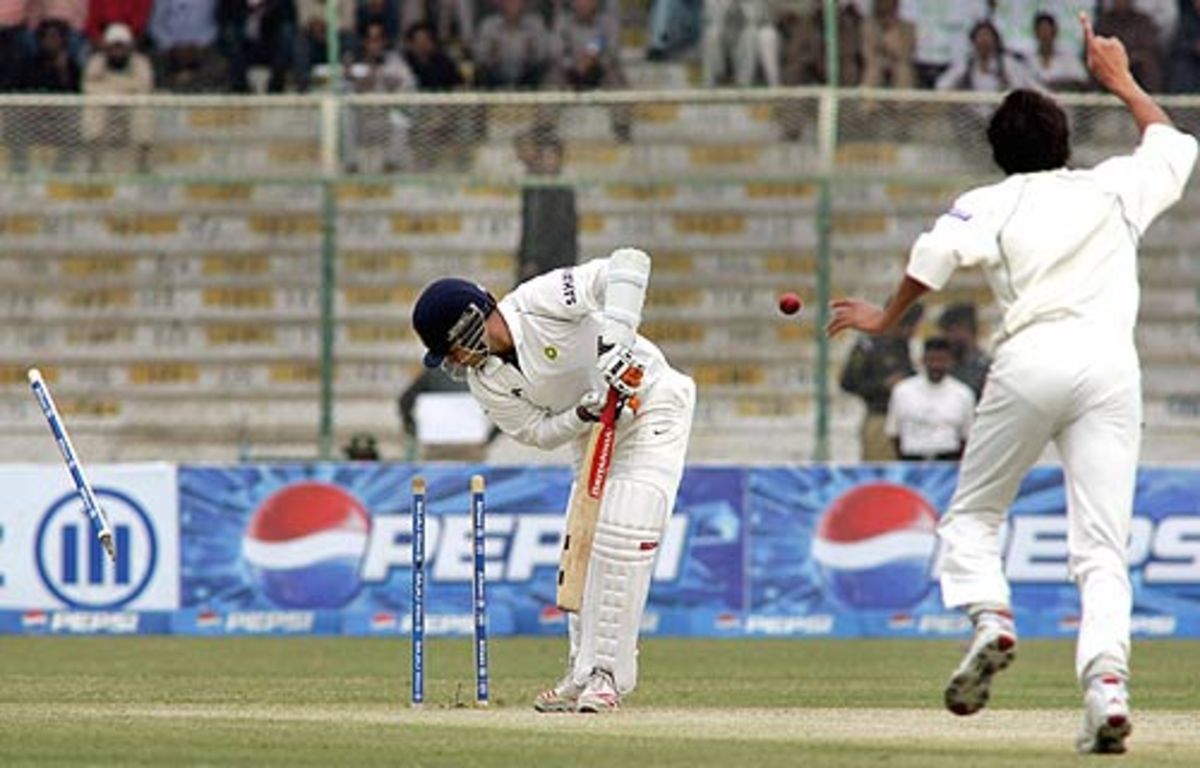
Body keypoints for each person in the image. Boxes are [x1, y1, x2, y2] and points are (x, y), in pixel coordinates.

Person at [826, 12, 1197, 755]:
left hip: (1030, 361)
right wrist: (1121, 79)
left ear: (998, 154)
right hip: (1109, 366)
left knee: (970, 519)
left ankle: (991, 616)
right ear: (1065, 143)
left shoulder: (993, 201)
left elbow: (933, 258)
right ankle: (1107, 687)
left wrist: (887, 316)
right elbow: (1175, 141)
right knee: (1102, 548)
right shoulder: (1113, 187)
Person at [411, 247, 696, 713]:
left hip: (652, 404)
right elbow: (538, 433)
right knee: (581, 546)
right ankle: (582, 670)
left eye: (451, 349)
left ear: (468, 325)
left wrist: (615, 343)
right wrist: (580, 414)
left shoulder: (539, 300)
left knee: (624, 531)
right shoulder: (488, 381)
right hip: (594, 430)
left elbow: (628, 263)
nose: (456, 362)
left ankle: (608, 675)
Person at [838, 301, 922, 461]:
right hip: (881, 417)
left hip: (911, 421)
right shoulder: (868, 346)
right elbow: (847, 382)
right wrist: (884, 385)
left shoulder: (907, 347)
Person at [886, 336, 975, 461]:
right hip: (911, 462)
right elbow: (894, 432)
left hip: (948, 463)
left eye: (942, 360)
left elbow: (966, 435)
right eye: (931, 360)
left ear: (951, 361)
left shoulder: (963, 393)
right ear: (922, 360)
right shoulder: (902, 391)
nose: (936, 366)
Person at [82, 22, 155, 173]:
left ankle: (142, 161)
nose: (118, 51)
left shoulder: (140, 62)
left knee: (143, 108)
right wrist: (127, 87)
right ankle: (94, 161)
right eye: (114, 46)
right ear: (106, 47)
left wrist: (110, 87)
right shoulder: (96, 61)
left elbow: (145, 86)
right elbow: (89, 88)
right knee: (93, 107)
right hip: (105, 106)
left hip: (130, 107)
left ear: (129, 47)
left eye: (121, 46)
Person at [937, 302, 990, 400]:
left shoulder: (987, 368)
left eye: (950, 331)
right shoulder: (947, 365)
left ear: (966, 329)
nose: (947, 338)